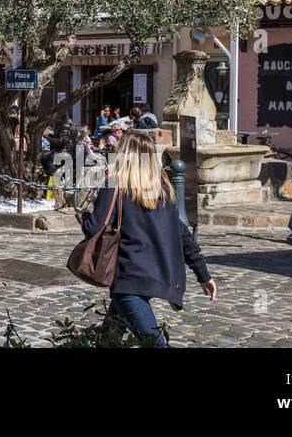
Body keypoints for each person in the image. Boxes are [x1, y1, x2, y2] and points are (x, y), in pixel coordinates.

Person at [81, 132, 216, 347]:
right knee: (108, 338)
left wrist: (84, 214)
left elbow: (93, 228)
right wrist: (203, 274)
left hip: (129, 283)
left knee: (156, 345)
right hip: (153, 279)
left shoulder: (115, 184)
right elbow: (183, 235)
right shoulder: (162, 190)